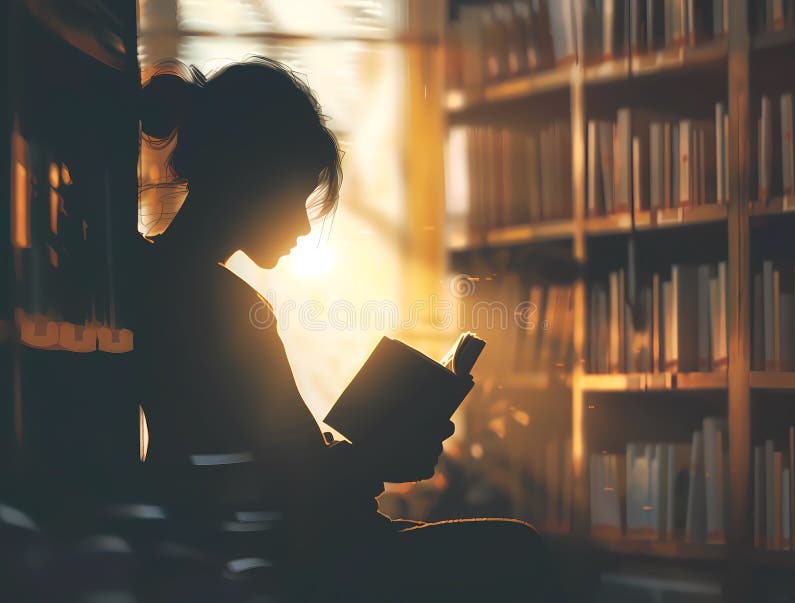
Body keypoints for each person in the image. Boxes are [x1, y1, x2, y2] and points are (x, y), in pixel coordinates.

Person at [136, 57, 557, 602]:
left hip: (270, 544)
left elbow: (273, 463)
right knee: (517, 550)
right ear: (254, 181)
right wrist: (383, 455)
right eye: (297, 197)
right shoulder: (218, 306)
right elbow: (290, 491)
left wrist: (367, 455)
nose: (304, 225)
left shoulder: (164, 281)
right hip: (289, 561)